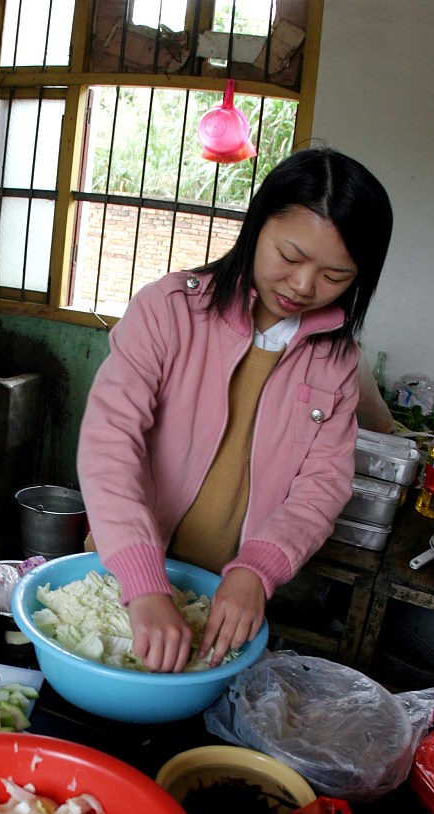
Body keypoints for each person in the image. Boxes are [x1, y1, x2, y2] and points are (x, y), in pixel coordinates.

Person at [77, 146, 393, 674]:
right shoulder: (168, 309)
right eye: (290, 257)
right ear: (256, 225)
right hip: (123, 576)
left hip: (230, 598)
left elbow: (322, 486)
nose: (302, 285)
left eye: (335, 276)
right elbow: (110, 444)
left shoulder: (337, 361)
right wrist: (144, 583)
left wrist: (257, 570)